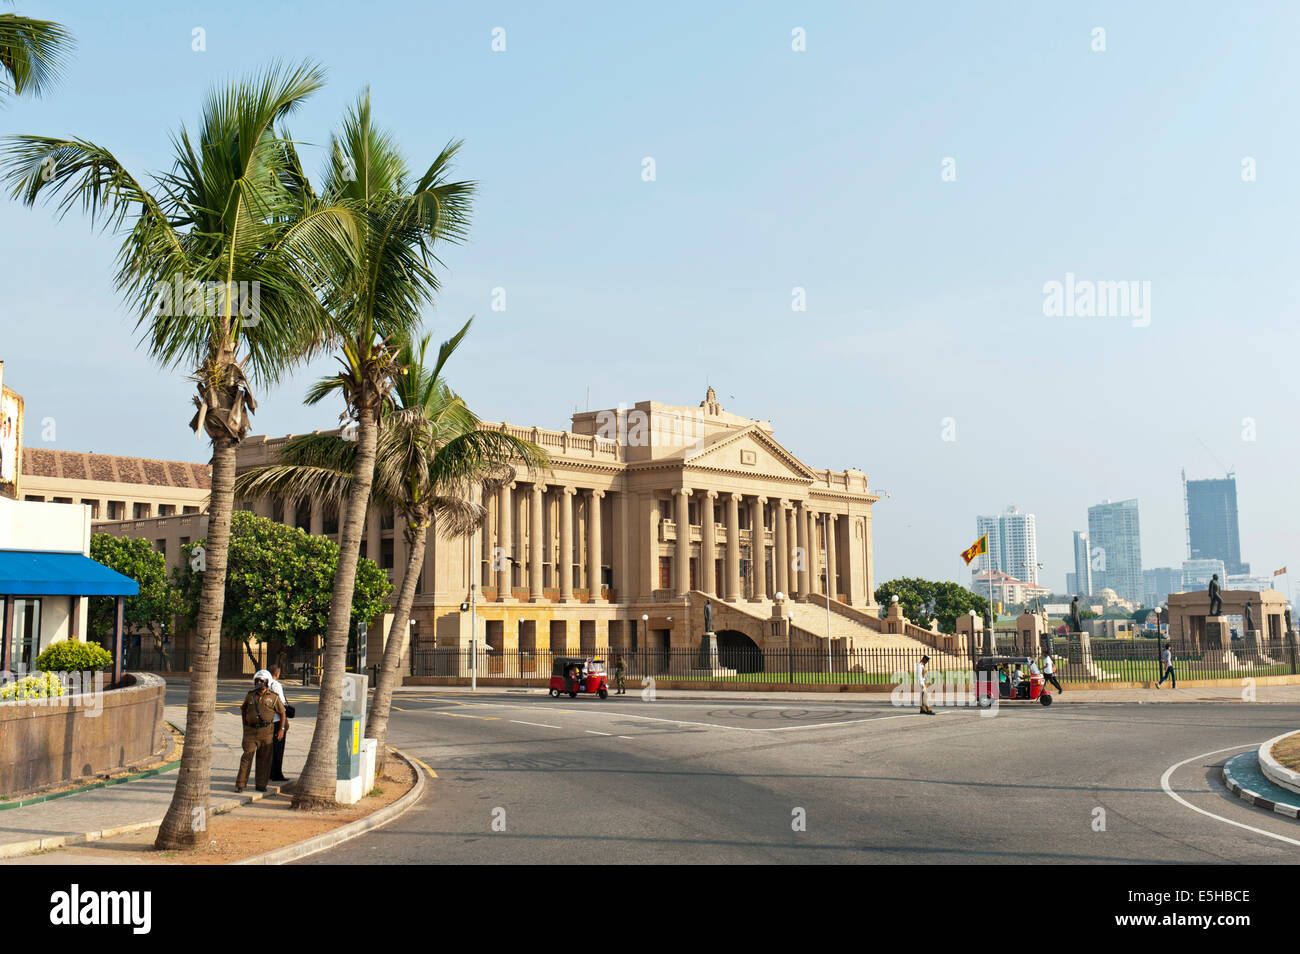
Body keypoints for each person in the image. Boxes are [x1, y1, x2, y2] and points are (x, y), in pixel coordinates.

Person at [237, 672, 286, 793]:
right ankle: (240, 784)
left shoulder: (274, 697)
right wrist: (245, 725)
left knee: (264, 759)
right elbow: (243, 710)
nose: (258, 683)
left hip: (266, 732)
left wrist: (281, 729)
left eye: (261, 681)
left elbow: (282, 713)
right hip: (250, 731)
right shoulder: (250, 695)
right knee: (246, 757)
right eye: (257, 681)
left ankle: (261, 785)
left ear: (267, 683)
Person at [266, 664, 291, 782]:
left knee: (269, 748)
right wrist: (284, 724)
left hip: (266, 720)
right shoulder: (276, 685)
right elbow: (281, 706)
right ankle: (277, 773)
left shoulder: (263, 683)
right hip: (277, 720)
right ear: (277, 674)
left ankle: (269, 772)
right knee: (278, 748)